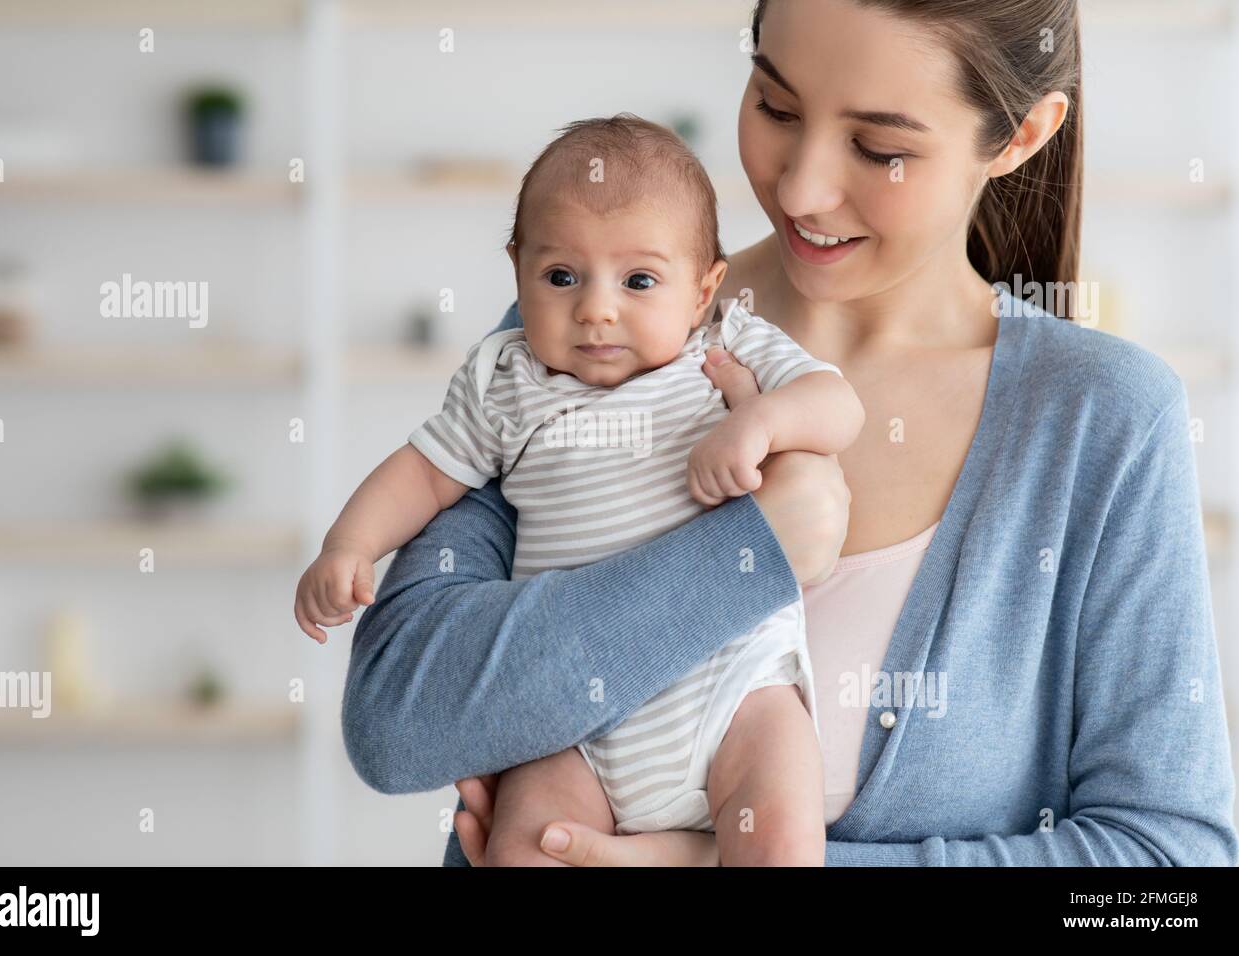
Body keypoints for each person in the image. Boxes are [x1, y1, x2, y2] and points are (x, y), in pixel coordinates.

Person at [341, 0, 1239, 866]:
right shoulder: (589, 336)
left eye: (878, 147)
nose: (801, 188)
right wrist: (747, 552)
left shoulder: (1103, 421)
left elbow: (1161, 880)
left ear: (1020, 135)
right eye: (774, 103)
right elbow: (395, 721)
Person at [299, 114, 866, 865]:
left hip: (734, 694)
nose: (597, 308)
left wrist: (761, 423)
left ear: (704, 291)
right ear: (517, 269)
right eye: (561, 276)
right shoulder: (508, 381)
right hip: (569, 731)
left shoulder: (727, 343)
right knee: (525, 846)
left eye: (639, 281)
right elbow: (424, 473)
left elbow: (838, 408)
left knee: (785, 840)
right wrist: (351, 544)